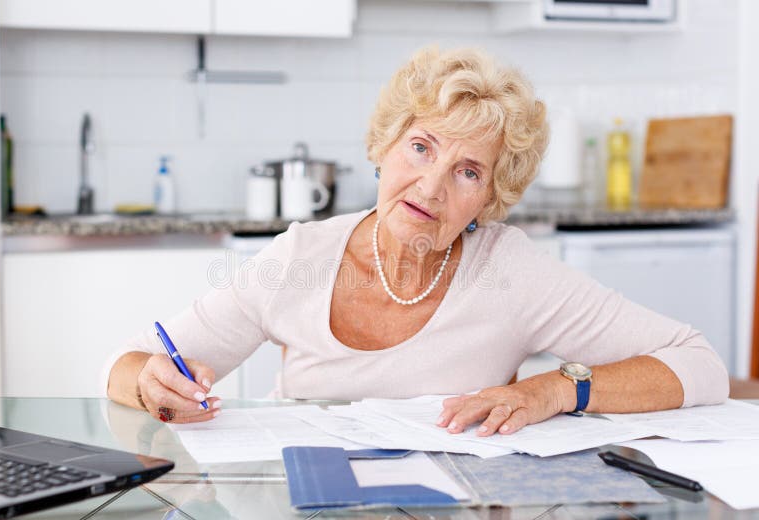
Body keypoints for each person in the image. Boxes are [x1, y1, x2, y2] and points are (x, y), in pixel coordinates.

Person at [105, 46, 729, 436]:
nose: (430, 187)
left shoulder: (508, 270)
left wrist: (555, 390)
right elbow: (129, 364)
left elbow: (699, 365)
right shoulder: (300, 257)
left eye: (467, 171)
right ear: (383, 148)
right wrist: (149, 385)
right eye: (421, 147)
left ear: (489, 198)